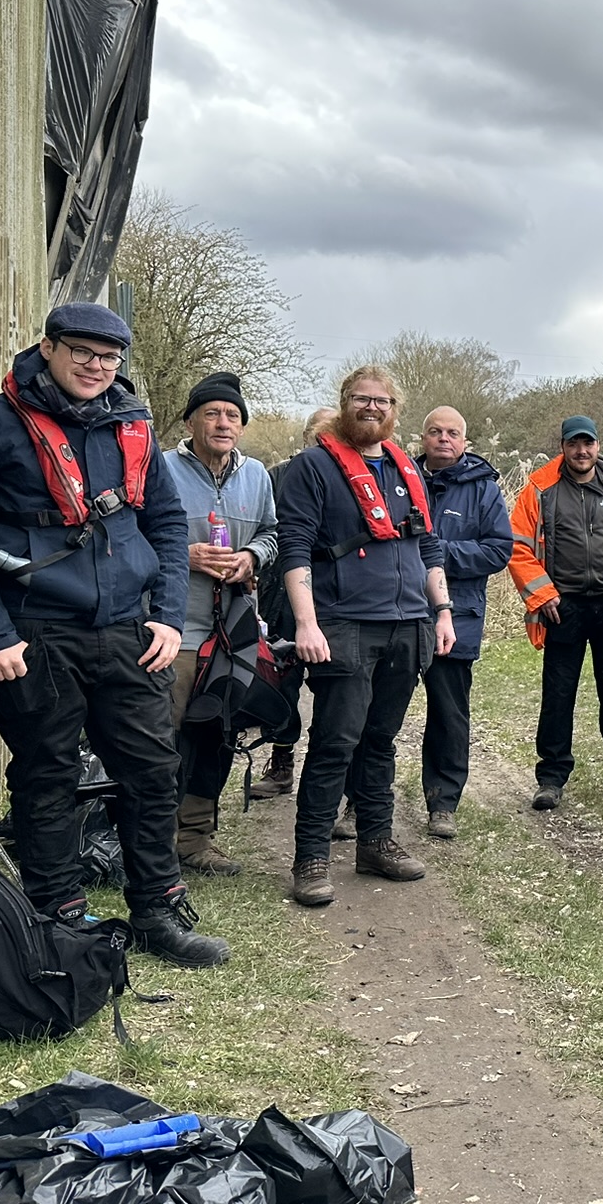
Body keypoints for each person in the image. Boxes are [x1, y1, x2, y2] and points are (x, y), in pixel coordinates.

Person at [0, 302, 228, 965]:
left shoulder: (133, 427)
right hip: (36, 633)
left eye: (109, 357)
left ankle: (155, 909)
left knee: (153, 772)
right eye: (83, 353)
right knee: (47, 776)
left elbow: (166, 523)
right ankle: (57, 916)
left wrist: (166, 613)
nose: (96, 367)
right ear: (49, 347)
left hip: (129, 632)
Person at [277, 366, 454, 907]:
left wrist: (441, 611)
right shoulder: (312, 467)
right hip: (344, 624)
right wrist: (306, 623)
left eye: (381, 401)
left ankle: (375, 841)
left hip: (407, 624)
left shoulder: (408, 471)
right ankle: (310, 857)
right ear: (344, 403)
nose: (371, 408)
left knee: (380, 741)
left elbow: (428, 547)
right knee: (335, 743)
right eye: (361, 399)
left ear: (395, 407)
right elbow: (295, 547)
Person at [161, 370, 280, 876]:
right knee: (160, 739)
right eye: (212, 412)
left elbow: (274, 535)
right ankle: (150, 841)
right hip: (171, 632)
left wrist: (252, 556)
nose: (223, 422)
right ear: (190, 420)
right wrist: (181, 553)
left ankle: (195, 841)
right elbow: (130, 536)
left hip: (230, 637)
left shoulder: (257, 475)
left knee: (215, 736)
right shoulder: (159, 469)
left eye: (232, 415)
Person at [508, 415, 603, 812]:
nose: (582, 451)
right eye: (574, 444)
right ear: (563, 447)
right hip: (561, 607)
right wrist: (542, 594)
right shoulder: (539, 490)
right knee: (558, 694)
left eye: (588, 444)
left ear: (598, 446)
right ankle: (551, 778)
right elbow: (517, 546)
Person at [417, 406, 514, 838]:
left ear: (464, 441)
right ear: (422, 438)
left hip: (459, 616)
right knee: (376, 714)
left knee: (449, 714)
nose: (443, 439)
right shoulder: (399, 478)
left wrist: (436, 554)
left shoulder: (484, 490)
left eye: (452, 433)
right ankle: (358, 802)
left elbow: (498, 551)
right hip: (395, 613)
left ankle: (444, 803)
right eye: (435, 431)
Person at [249, 406, 336, 800]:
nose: (323, 442)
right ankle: (281, 761)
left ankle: (335, 771)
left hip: (334, 599)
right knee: (282, 680)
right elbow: (259, 531)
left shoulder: (352, 479)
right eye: (317, 435)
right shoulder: (275, 477)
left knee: (335, 689)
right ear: (305, 437)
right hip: (278, 595)